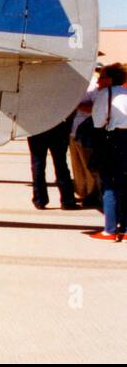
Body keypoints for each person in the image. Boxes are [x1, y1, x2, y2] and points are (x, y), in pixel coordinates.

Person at [88, 63, 127, 240]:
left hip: (114, 140)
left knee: (109, 184)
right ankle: (125, 229)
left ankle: (110, 229)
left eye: (101, 78)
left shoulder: (106, 94)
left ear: (110, 79)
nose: (98, 82)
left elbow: (97, 122)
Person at [69, 64, 104, 208]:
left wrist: (74, 104)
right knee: (79, 165)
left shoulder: (93, 86)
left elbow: (93, 108)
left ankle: (91, 194)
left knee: (88, 165)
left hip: (86, 131)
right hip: (76, 130)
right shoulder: (85, 83)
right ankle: (84, 192)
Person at [26, 119, 76, 210]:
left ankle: (39, 199)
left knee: (37, 165)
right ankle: (67, 200)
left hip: (35, 127)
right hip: (58, 127)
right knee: (61, 164)